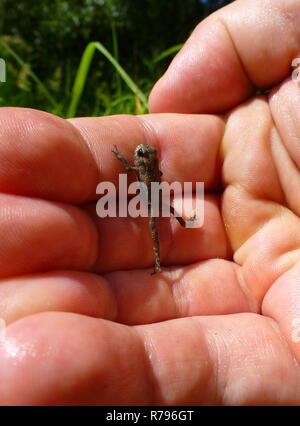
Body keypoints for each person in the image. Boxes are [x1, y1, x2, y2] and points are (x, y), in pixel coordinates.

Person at [0, 0, 300, 405]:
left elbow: (136, 168)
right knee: (153, 226)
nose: (141, 155)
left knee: (161, 224)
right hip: (146, 196)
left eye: (144, 154)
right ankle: (159, 258)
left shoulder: (148, 164)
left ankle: (159, 257)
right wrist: (130, 167)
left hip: (153, 194)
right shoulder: (144, 164)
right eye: (141, 155)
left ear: (149, 158)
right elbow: (132, 166)